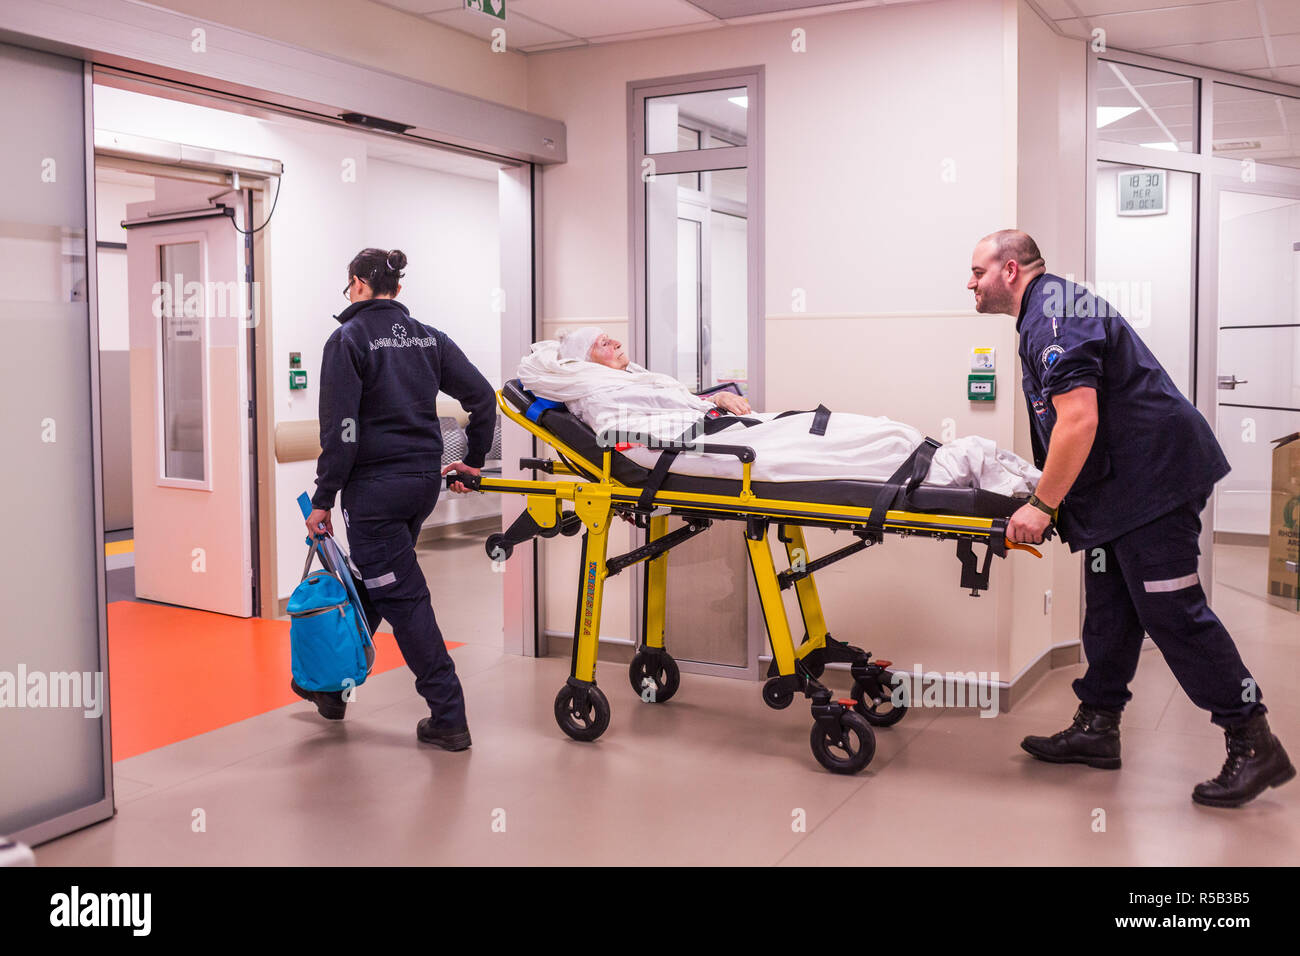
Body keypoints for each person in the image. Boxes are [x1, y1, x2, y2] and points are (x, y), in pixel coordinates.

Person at [968, 229, 1294, 807]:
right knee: (1112, 607)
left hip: (1154, 487)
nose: (970, 283)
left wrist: (1043, 505)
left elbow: (1079, 421)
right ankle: (1098, 725)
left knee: (1173, 612)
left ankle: (1252, 738)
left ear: (1011, 270)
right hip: (1118, 495)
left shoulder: (1055, 315)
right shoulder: (1046, 313)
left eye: (977, 272)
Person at [300, 247, 495, 752]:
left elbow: (341, 434)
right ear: (398, 289)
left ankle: (448, 716)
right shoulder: (428, 338)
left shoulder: (347, 338)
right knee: (375, 579)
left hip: (375, 493)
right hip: (420, 485)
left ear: (358, 284)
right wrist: (473, 459)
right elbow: (482, 396)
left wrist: (323, 498)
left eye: (349, 286)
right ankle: (330, 688)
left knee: (403, 597)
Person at [515, 327, 1042, 494]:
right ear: (583, 363)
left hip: (722, 430)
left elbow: (672, 407)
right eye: (603, 345)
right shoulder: (595, 392)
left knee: (858, 427)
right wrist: (703, 418)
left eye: (613, 339)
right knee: (853, 444)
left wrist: (715, 400)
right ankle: (956, 466)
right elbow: (626, 435)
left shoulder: (636, 379)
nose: (616, 345)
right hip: (709, 448)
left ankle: (942, 456)